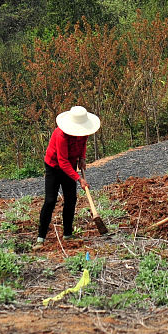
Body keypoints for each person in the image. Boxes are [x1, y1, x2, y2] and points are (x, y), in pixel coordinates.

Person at [37, 105, 100, 245]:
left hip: (69, 165)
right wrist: (79, 179)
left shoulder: (84, 132)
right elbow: (62, 161)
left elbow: (83, 144)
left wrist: (82, 158)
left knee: (71, 199)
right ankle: (40, 237)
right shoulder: (61, 135)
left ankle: (67, 234)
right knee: (50, 200)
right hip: (54, 166)